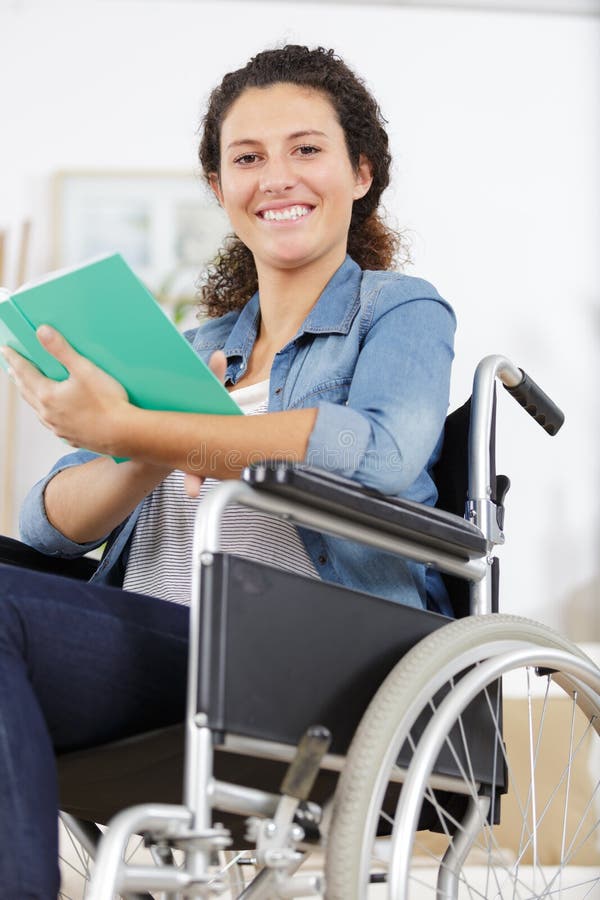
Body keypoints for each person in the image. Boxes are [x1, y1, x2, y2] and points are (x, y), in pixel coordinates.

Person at [0, 45, 455, 898]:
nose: (275, 177)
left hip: (307, 660)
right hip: (158, 649)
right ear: (219, 187)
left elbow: (388, 453)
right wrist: (141, 446)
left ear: (361, 172)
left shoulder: (399, 311)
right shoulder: (194, 350)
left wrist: (153, 429)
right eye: (246, 158)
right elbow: (44, 523)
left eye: (306, 149)